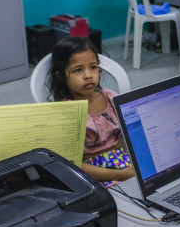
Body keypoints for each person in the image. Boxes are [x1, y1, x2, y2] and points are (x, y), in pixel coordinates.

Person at [47, 37, 135, 183]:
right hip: (94, 175)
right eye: (78, 70)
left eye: (93, 67)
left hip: (126, 163)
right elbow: (71, 163)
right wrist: (118, 175)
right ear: (61, 75)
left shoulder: (109, 97)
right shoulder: (66, 112)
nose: (88, 75)